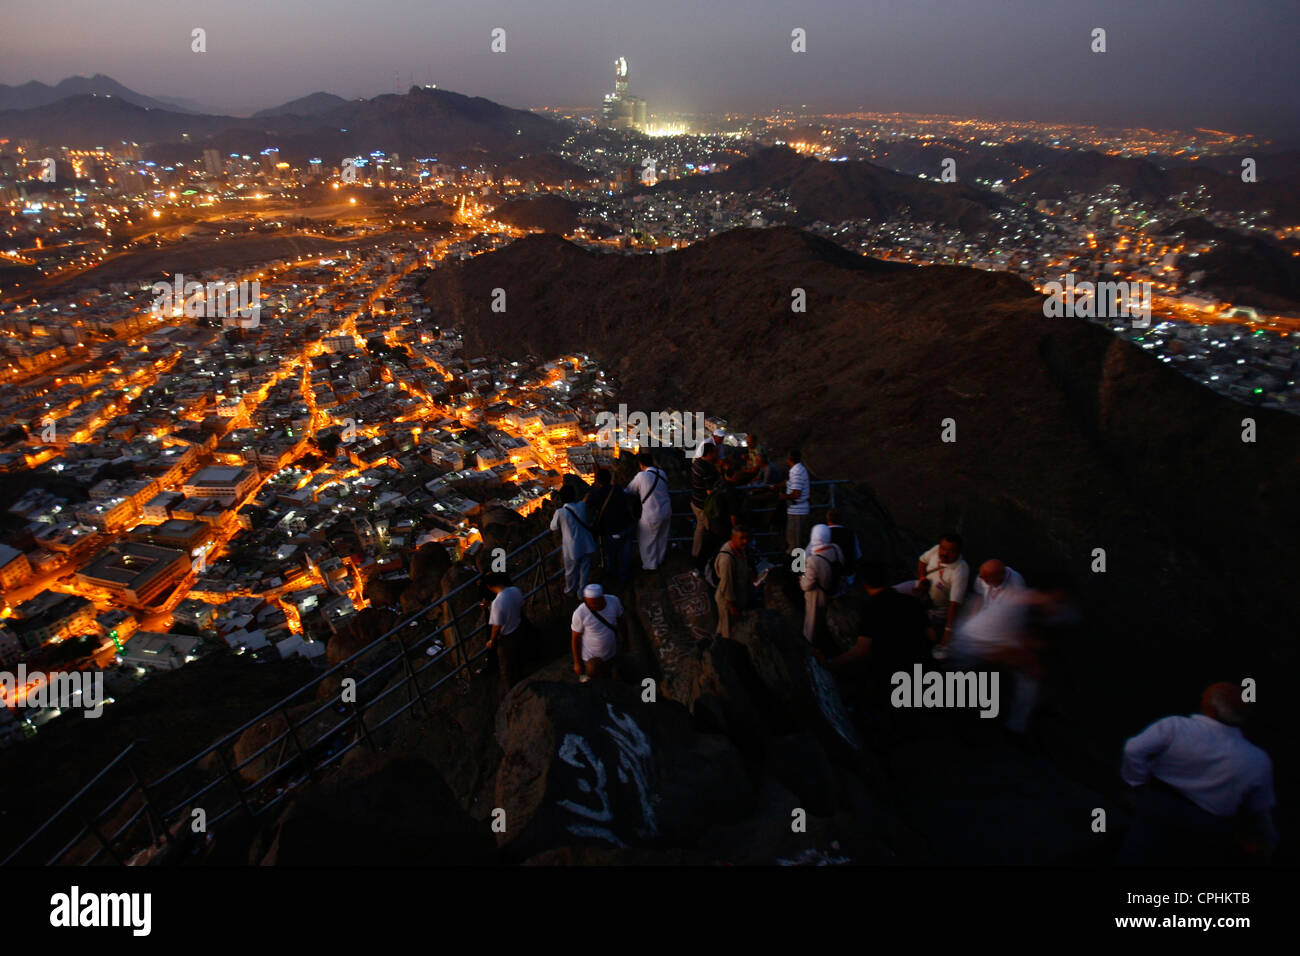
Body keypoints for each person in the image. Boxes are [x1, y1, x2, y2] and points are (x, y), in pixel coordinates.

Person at [1119, 683, 1278, 865]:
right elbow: (1259, 809)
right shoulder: (1257, 759)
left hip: (1160, 806)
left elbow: (1133, 750)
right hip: (1209, 828)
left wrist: (1136, 781)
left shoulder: (1176, 727)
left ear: (1208, 706)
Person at [824, 560, 932, 697]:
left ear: (865, 583)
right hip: (922, 671)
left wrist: (830, 663)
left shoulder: (870, 608)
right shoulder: (912, 601)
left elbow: (861, 650)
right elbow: (931, 635)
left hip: (891, 677)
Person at [896, 533, 969, 651]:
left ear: (959, 552)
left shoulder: (960, 570)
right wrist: (922, 578)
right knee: (890, 593)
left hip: (937, 612)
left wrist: (947, 632)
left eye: (951, 551)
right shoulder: (936, 550)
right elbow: (922, 561)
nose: (944, 553)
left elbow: (954, 605)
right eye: (943, 548)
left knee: (919, 638)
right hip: (921, 591)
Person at [481, 571, 529, 688]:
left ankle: (512, 694)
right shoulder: (515, 590)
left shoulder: (498, 602)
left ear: (489, 587)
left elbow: (496, 626)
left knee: (507, 669)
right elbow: (522, 606)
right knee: (519, 660)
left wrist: (492, 641)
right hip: (519, 628)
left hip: (508, 637)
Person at [586, 466, 634, 582]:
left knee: (611, 555)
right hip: (626, 525)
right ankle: (624, 577)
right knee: (625, 554)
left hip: (611, 529)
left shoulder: (596, 494)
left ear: (598, 481)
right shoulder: (617, 489)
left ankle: (613, 578)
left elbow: (586, 505)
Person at [570, 583, 626, 681]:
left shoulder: (614, 602)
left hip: (611, 653)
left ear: (602, 598)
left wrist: (626, 642)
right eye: (589, 604)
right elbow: (575, 638)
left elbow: (622, 622)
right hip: (590, 658)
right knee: (593, 675)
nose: (592, 607)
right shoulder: (580, 613)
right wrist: (577, 662)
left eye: (595, 603)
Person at [799, 524, 845, 643]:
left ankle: (810, 648)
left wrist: (802, 577)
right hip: (835, 591)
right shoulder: (836, 548)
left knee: (812, 626)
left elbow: (806, 585)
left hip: (817, 598)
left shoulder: (813, 560)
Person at [625, 452, 670, 570]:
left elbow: (629, 489)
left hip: (651, 513)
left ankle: (650, 565)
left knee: (647, 540)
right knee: (662, 537)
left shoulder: (642, 476)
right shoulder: (662, 473)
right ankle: (660, 560)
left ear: (641, 464)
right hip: (666, 510)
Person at [550, 485, 596, 597]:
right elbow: (585, 500)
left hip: (572, 548)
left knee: (570, 571)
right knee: (584, 570)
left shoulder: (560, 512)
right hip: (587, 544)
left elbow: (553, 527)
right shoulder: (581, 506)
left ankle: (570, 591)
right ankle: (582, 593)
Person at [712, 524, 754, 639]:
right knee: (728, 633)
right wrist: (732, 607)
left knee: (723, 629)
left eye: (746, 538)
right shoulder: (727, 559)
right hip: (728, 602)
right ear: (733, 538)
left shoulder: (740, 549)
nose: (745, 541)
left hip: (738, 597)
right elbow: (727, 586)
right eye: (741, 538)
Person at [690, 442, 721, 574]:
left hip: (695, 502)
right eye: (715, 451)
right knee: (708, 532)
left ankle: (696, 554)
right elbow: (710, 492)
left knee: (700, 528)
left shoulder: (696, 464)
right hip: (703, 505)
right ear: (709, 453)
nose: (717, 453)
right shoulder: (706, 470)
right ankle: (701, 558)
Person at [780, 448, 810, 554]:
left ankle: (797, 568)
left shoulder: (796, 471)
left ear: (789, 459)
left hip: (798, 510)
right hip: (796, 509)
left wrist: (783, 497)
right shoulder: (798, 469)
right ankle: (795, 567)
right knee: (794, 542)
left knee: (796, 543)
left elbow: (796, 494)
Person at [825, 509, 862, 586]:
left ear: (827, 520)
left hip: (827, 576)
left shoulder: (823, 534)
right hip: (847, 576)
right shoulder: (850, 534)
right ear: (842, 520)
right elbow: (858, 555)